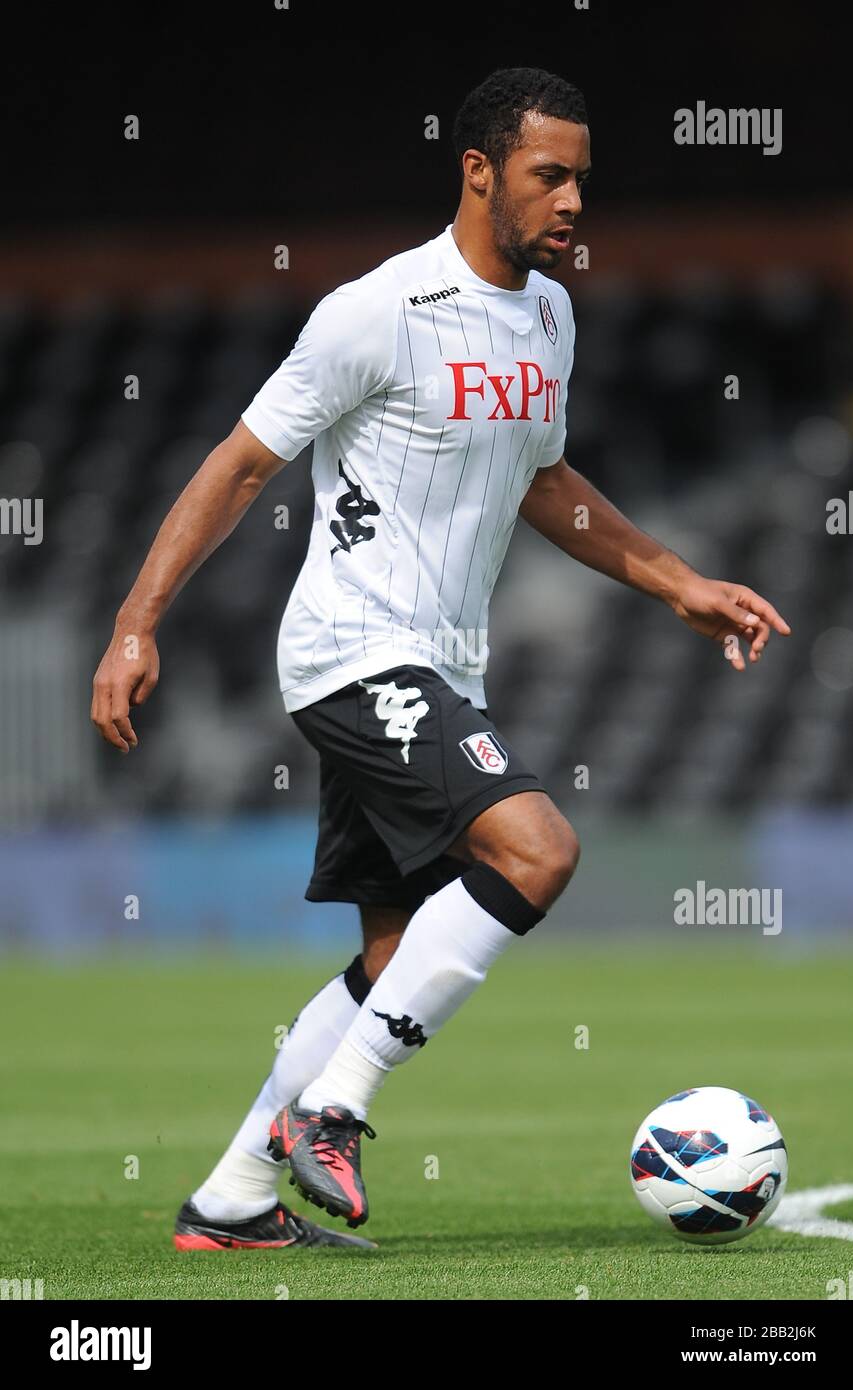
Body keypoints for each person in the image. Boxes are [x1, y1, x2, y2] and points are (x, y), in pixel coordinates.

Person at [91, 67, 790, 1251]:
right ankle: (337, 1108)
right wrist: (134, 622)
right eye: (547, 175)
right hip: (353, 652)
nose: (572, 200)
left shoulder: (550, 318)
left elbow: (545, 482)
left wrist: (676, 579)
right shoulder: (376, 311)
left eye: (580, 177)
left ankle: (230, 1203)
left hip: (437, 668)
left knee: (387, 958)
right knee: (538, 846)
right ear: (477, 172)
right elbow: (240, 465)